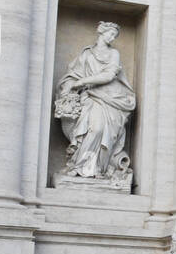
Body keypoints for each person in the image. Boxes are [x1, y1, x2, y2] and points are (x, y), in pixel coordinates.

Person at [56, 21, 136, 179]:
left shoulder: (114, 54)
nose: (112, 38)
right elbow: (73, 75)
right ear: (101, 33)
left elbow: (109, 75)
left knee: (100, 130)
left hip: (110, 98)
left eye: (115, 36)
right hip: (90, 97)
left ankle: (96, 169)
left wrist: (81, 82)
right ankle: (81, 166)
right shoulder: (87, 54)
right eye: (110, 34)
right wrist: (70, 85)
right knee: (92, 129)